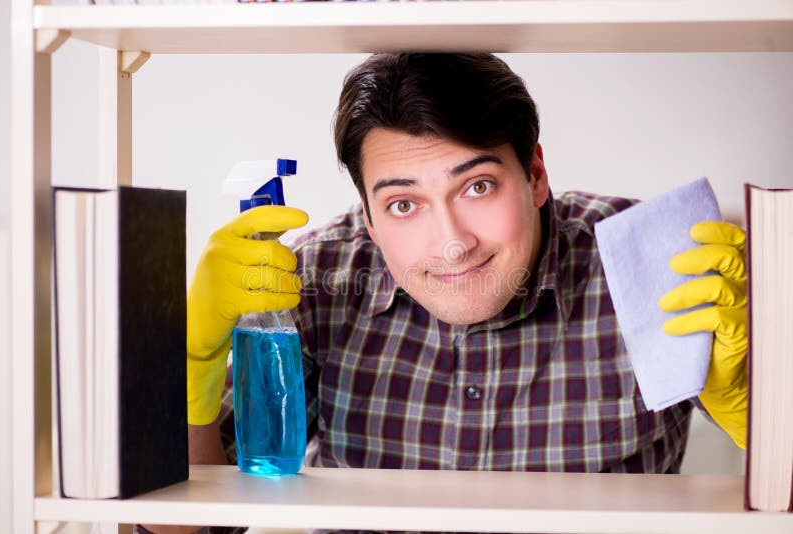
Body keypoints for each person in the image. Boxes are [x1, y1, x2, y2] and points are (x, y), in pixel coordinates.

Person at [149, 53, 748, 533]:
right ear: (369, 214)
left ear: (536, 174)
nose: (453, 243)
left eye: (478, 186)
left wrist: (760, 404)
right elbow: (190, 530)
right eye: (404, 204)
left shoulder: (649, 262)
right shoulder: (312, 278)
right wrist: (189, 370)